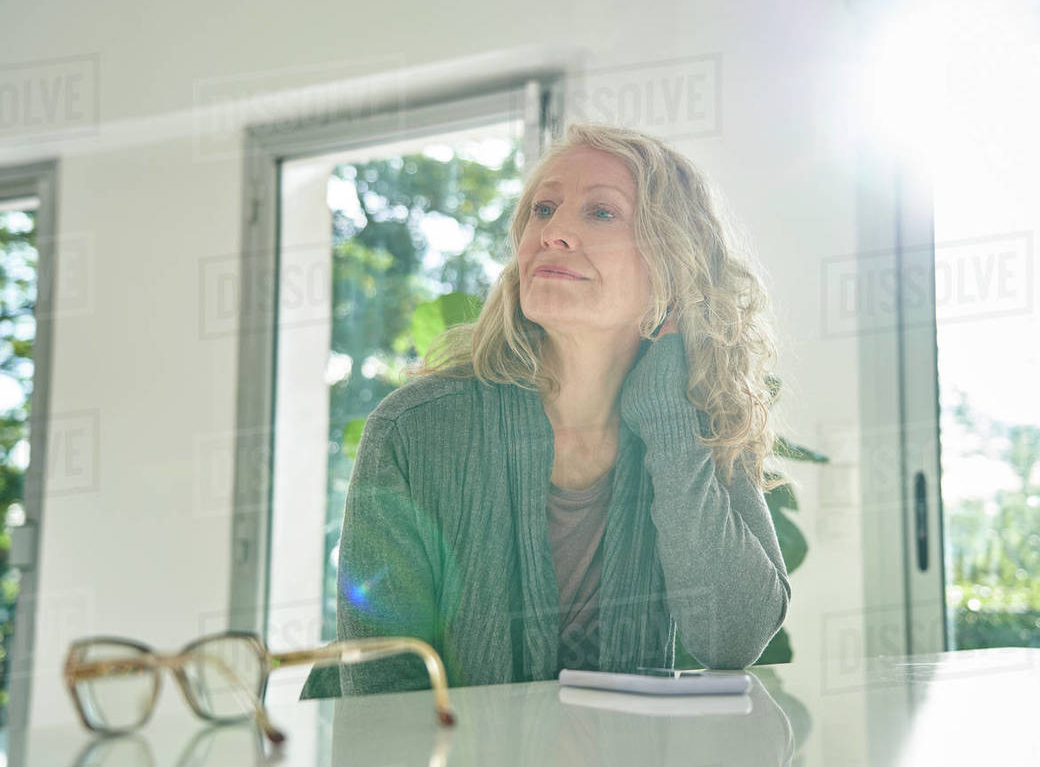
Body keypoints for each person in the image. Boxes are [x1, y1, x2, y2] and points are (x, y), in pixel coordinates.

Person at [302, 122, 791, 698]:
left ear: (673, 263)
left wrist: (669, 419)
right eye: (543, 209)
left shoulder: (701, 420)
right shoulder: (415, 428)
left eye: (601, 213)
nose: (553, 232)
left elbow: (732, 636)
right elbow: (383, 680)